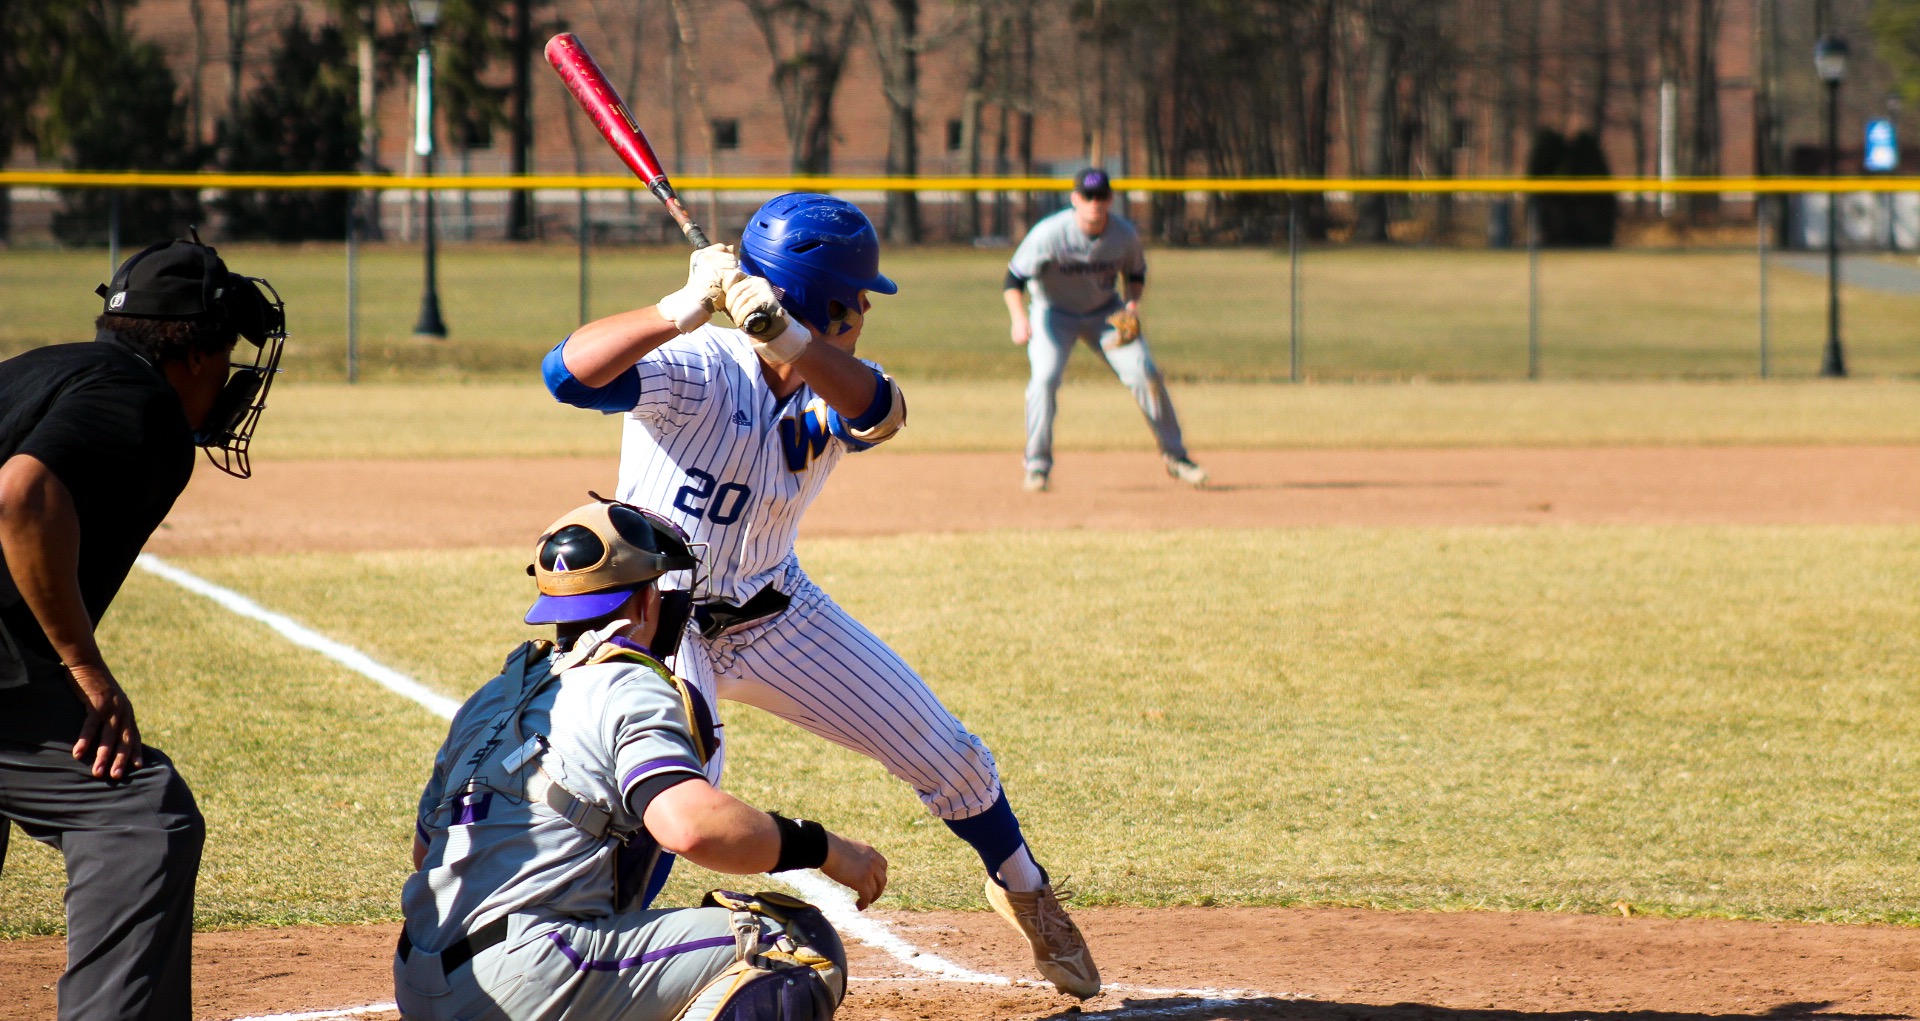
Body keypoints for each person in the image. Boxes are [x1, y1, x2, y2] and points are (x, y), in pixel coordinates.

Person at [543, 193, 1102, 999]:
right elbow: (566, 374)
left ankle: (1024, 886)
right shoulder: (698, 365)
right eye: (859, 296)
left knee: (950, 754)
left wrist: (790, 338)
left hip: (779, 609)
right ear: (828, 300)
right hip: (665, 623)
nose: (867, 310)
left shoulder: (831, 383)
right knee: (669, 789)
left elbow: (883, 411)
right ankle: (595, 950)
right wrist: (681, 306)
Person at [397, 496, 885, 1021]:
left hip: (419, 979)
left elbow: (428, 853)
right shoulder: (629, 684)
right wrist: (825, 848)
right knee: (789, 941)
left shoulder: (491, 697)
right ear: (647, 600)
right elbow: (691, 827)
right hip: (529, 971)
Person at [0, 236, 285, 1021]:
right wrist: (83, 665)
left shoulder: (36, 369)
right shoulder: (144, 403)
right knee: (140, 817)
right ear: (194, 355)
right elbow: (22, 495)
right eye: (225, 355)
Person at [1003, 167, 1207, 493]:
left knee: (1145, 374)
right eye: (1088, 196)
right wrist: (1018, 318)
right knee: (1044, 380)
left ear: (1110, 199)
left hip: (1105, 313)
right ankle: (1037, 466)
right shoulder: (1050, 233)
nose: (1094, 203)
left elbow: (1135, 273)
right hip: (1054, 313)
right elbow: (1013, 279)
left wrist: (1132, 305)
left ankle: (1177, 456)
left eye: (1100, 196)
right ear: (1075, 199)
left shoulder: (1123, 234)